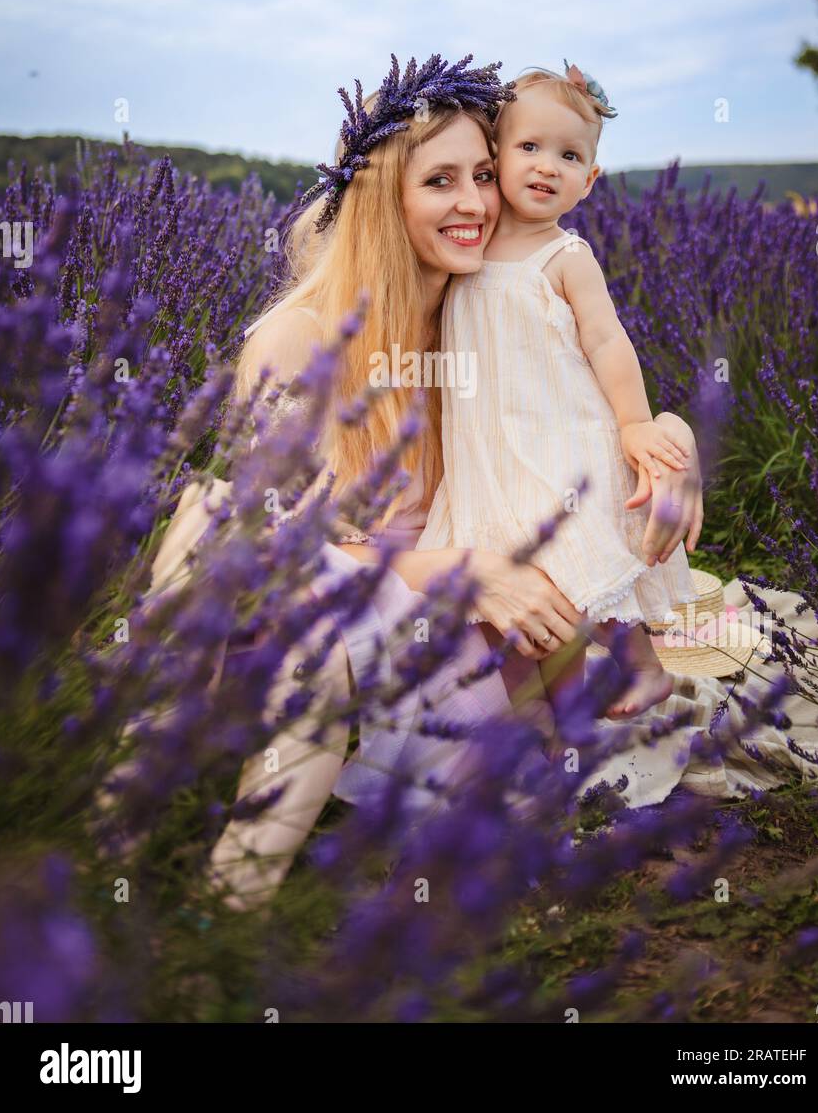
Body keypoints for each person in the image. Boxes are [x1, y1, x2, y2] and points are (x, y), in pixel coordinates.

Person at [150, 53, 703, 908]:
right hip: (313, 614)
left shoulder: (473, 317)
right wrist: (463, 570)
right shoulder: (298, 341)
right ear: (383, 198)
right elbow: (287, 549)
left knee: (528, 790)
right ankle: (210, 887)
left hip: (451, 620)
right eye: (440, 180)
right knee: (216, 530)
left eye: (484, 173)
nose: (478, 202)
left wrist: (672, 444)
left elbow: (590, 404)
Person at [417, 62, 699, 726]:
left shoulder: (565, 257)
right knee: (544, 594)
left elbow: (607, 343)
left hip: (564, 446)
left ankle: (639, 671)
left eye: (569, 156)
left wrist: (634, 424)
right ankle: (552, 696)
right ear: (496, 159)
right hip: (493, 458)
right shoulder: (471, 246)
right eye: (529, 148)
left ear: (590, 180)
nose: (548, 167)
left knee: (579, 573)